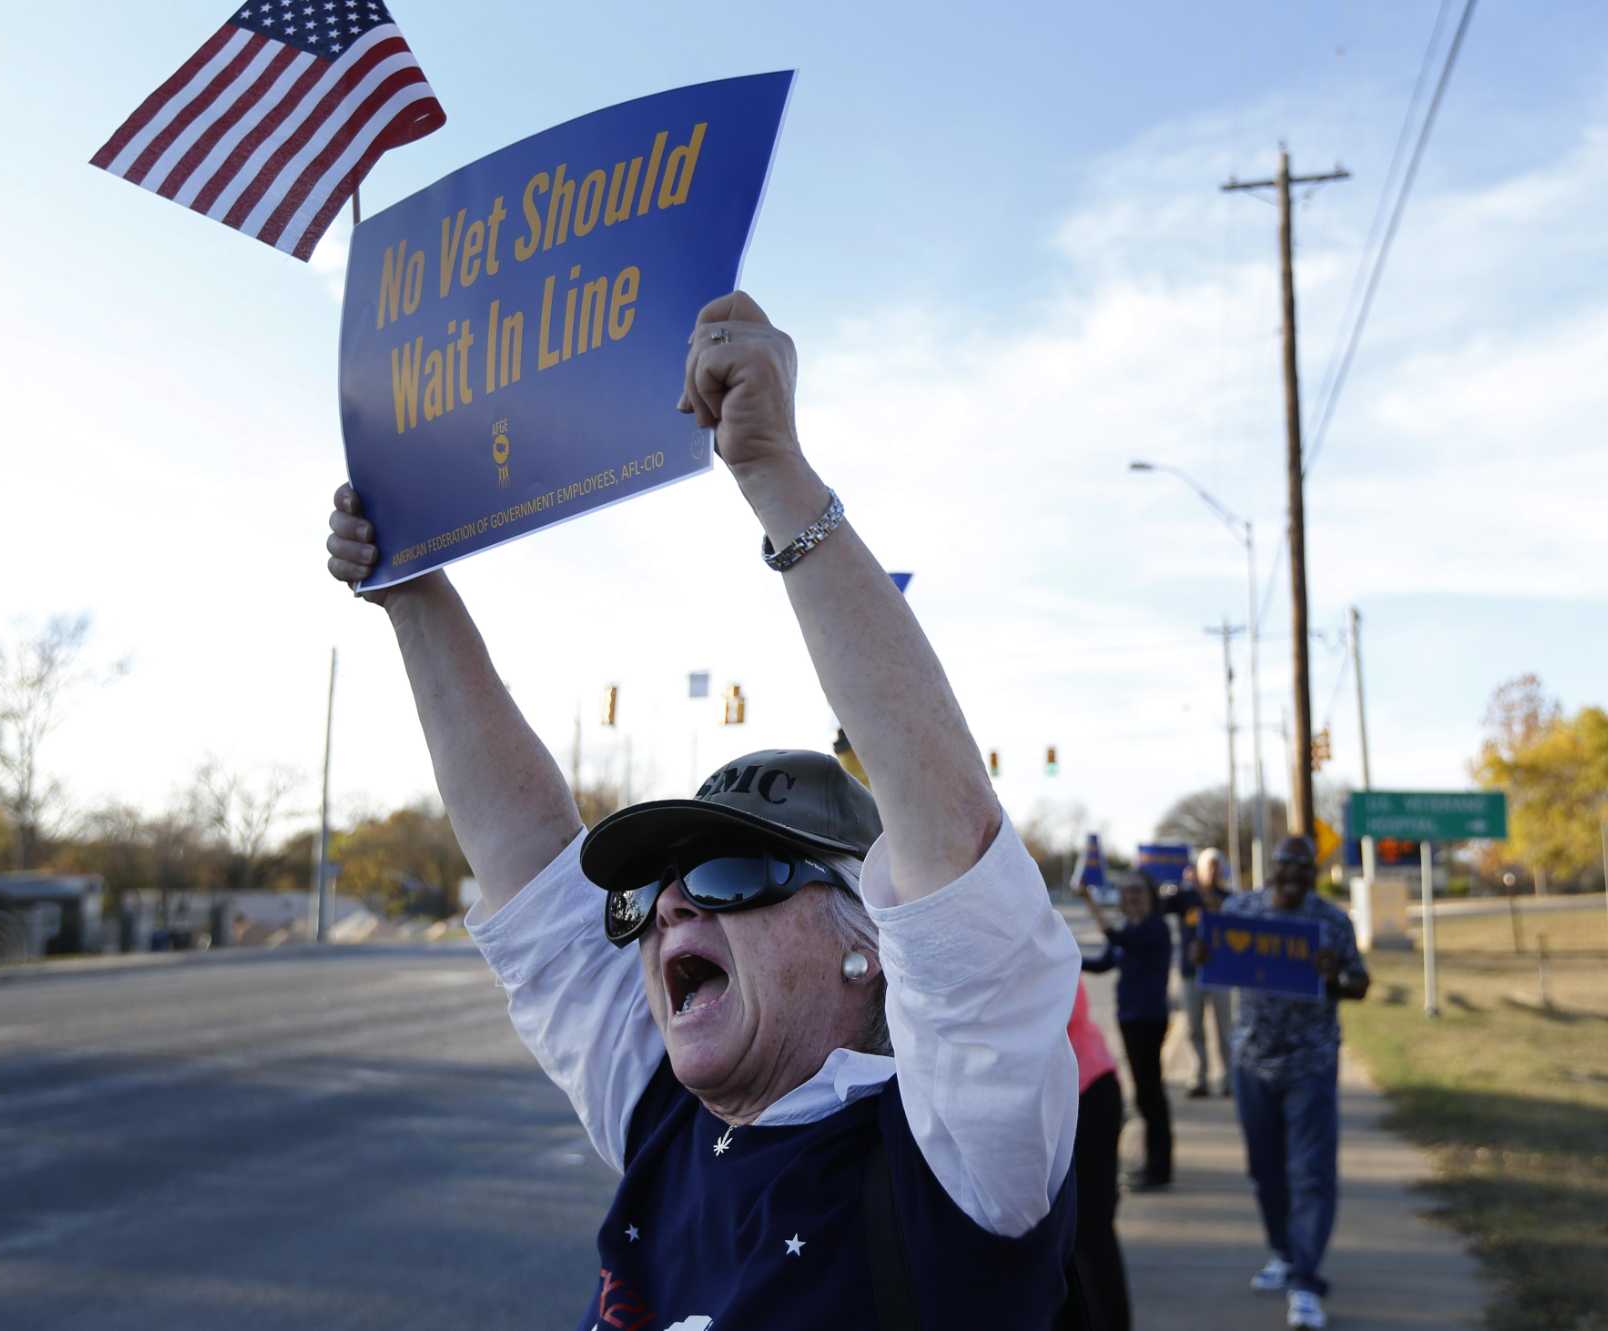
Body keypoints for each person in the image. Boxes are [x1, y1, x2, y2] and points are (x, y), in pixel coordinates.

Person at [322, 291, 1080, 1327]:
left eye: (729, 876)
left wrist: (773, 475)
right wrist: (411, 586)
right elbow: (532, 856)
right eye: (658, 888)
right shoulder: (659, 1109)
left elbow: (951, 839)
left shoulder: (961, 1144)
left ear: (872, 939)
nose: (674, 906)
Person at [1212, 835, 1370, 1331]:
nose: (1291, 879)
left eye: (1302, 871)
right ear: (1271, 870)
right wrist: (1201, 950)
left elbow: (1359, 983)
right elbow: (1211, 959)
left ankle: (1306, 1281)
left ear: (1313, 877)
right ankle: (1283, 1253)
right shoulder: (1243, 909)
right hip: (1252, 1060)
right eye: (1284, 868)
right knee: (1265, 1169)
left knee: (1311, 1173)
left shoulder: (1331, 921)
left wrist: (1335, 977)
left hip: (1311, 1063)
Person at [1077, 875, 1173, 1190]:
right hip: (1128, 1017)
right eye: (1126, 891)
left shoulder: (1154, 928)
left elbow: (1118, 940)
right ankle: (1155, 1162)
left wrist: (1090, 902)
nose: (1131, 897)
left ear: (1150, 895)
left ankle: (1159, 1168)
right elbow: (1104, 962)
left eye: (1137, 891)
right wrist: (1067, 960)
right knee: (1145, 1093)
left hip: (1148, 1019)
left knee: (1150, 1094)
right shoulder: (1130, 928)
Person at [1056, 982, 1130, 1331]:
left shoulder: (1037, 940)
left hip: (1087, 1094)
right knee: (1070, 1238)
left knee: (1090, 1233)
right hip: (1072, 1096)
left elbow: (1058, 1012)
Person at [1157, 847, 1235, 1098]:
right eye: (1207, 866)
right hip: (1191, 973)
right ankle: (1198, 1076)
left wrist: (1201, 890)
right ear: (1198, 869)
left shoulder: (1228, 897)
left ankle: (1228, 1079)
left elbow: (1224, 912)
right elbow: (1158, 906)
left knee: (1225, 1029)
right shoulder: (1185, 897)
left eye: (1216, 866)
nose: (1212, 871)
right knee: (1194, 1029)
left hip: (1221, 973)